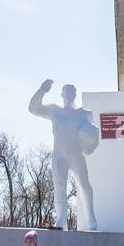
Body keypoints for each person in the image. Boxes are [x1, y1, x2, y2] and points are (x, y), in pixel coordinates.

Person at [28, 80, 99, 230]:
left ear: (75, 94)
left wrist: (91, 144)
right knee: (59, 187)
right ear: (62, 95)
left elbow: (94, 134)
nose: (69, 94)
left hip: (76, 155)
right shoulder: (55, 111)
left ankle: (91, 218)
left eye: (72, 92)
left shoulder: (84, 114)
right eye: (66, 92)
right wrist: (42, 91)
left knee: (84, 185)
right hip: (59, 155)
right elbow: (33, 109)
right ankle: (61, 219)